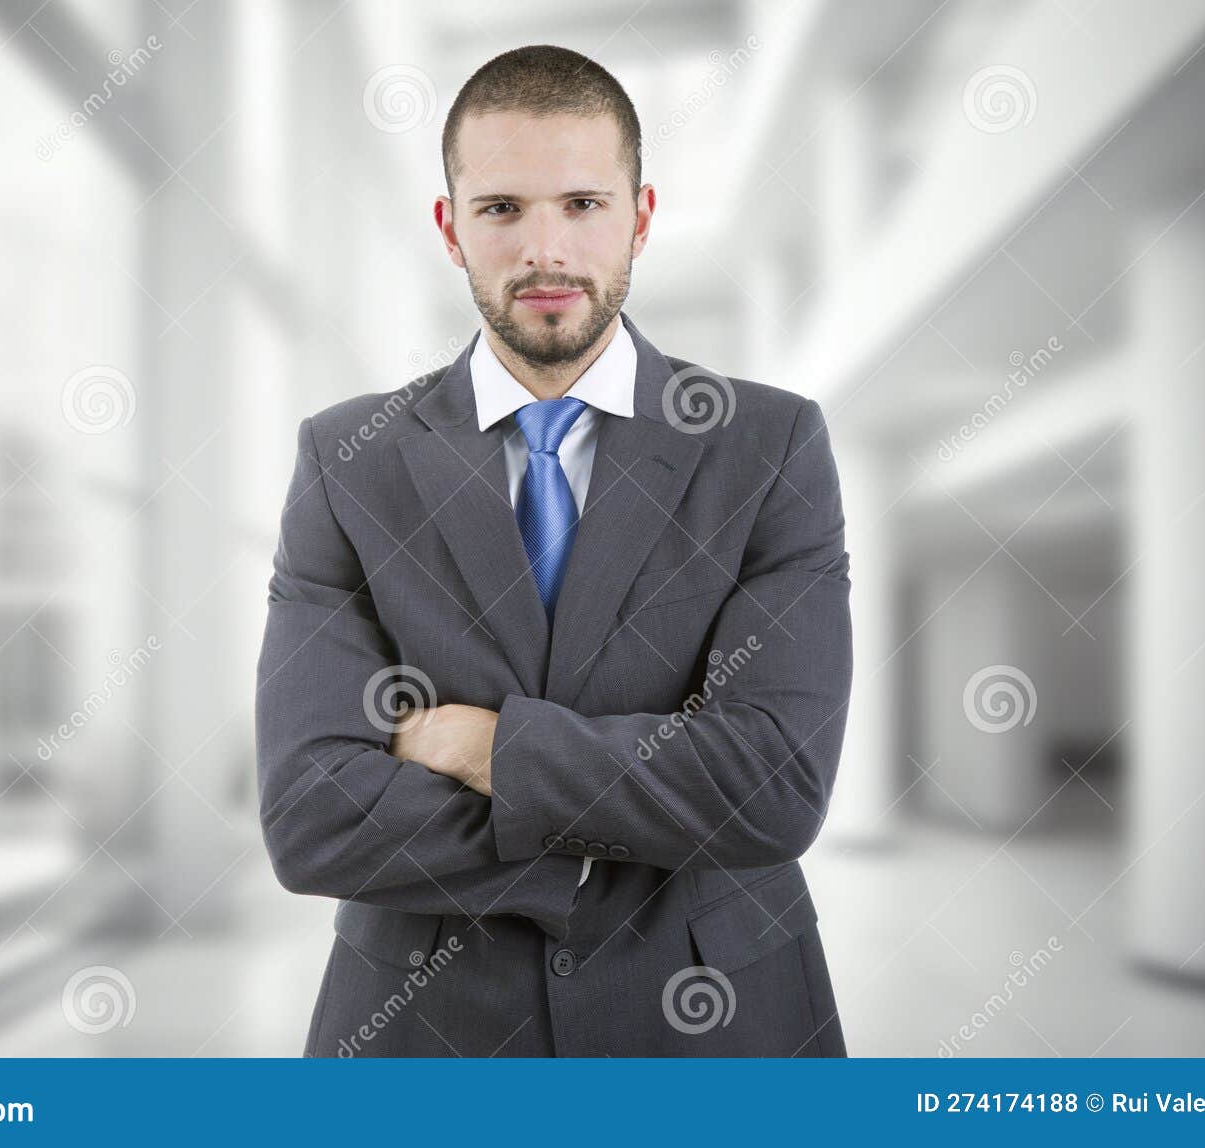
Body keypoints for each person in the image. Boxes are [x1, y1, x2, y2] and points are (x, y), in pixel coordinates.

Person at [255, 43, 852, 1057]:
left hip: (718, 1023)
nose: (545, 250)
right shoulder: (349, 458)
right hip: (424, 1025)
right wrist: (591, 854)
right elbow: (313, 813)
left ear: (641, 216)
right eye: (501, 209)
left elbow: (773, 782)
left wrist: (486, 747)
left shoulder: (767, 445)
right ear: (450, 228)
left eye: (582, 203)